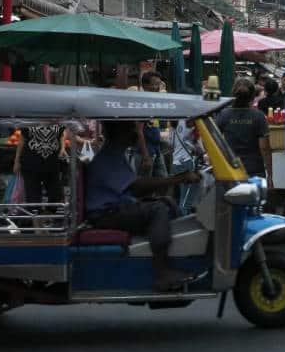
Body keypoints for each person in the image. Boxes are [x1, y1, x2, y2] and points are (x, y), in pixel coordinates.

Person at [84, 120, 201, 291]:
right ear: (117, 133)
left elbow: (134, 190)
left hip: (116, 206)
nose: (135, 134)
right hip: (105, 213)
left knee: (165, 202)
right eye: (129, 129)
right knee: (157, 210)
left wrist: (170, 183)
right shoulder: (109, 157)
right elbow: (137, 186)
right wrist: (179, 179)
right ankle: (162, 272)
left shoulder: (117, 154)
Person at [216, 78, 273, 180]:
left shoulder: (223, 115)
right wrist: (270, 175)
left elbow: (215, 141)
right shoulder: (259, 116)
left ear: (233, 94)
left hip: (231, 170)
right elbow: (264, 148)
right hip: (255, 171)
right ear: (252, 96)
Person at [12, 123, 67, 206]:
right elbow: (22, 141)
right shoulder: (31, 119)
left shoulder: (56, 119)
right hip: (30, 164)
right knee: (33, 196)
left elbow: (61, 135)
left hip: (52, 165)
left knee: (56, 194)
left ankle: (49, 214)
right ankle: (36, 218)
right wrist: (17, 161)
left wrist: (63, 148)